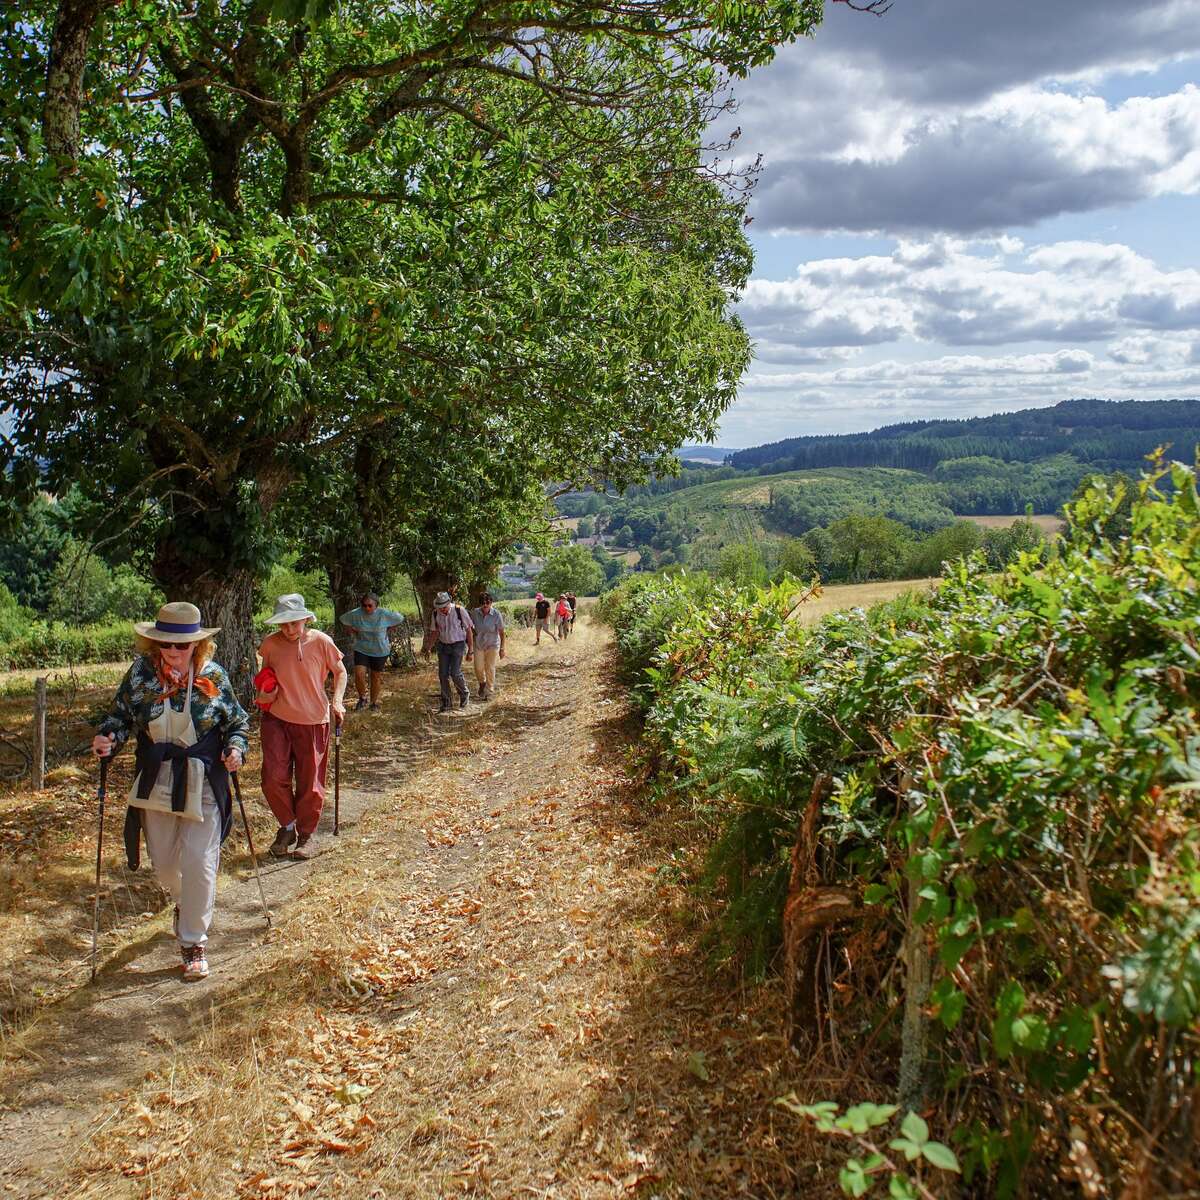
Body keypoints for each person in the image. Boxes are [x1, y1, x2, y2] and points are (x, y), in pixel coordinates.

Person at [92, 602, 249, 983]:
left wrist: (236, 749)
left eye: (182, 645)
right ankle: (185, 902)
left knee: (199, 861)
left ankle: (193, 943)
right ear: (155, 643)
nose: (174, 651)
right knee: (163, 864)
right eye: (166, 644)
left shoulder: (214, 675)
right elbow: (120, 717)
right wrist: (108, 738)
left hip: (203, 776)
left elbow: (237, 722)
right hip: (157, 776)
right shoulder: (141, 674)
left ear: (197, 645)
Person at [256, 593, 348, 860]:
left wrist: (337, 701)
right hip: (276, 718)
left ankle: (307, 835)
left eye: (294, 623)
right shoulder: (270, 644)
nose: (288, 629)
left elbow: (340, 672)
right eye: (283, 624)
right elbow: (266, 675)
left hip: (313, 719)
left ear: (306, 619)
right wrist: (265, 691)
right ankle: (287, 826)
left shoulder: (321, 641)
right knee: (273, 777)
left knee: (310, 783)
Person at [339, 592, 407, 712]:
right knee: (359, 673)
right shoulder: (356, 613)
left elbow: (400, 618)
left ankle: (373, 703)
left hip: (380, 650)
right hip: (362, 648)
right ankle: (362, 698)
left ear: (376, 605)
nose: (367, 608)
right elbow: (343, 619)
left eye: (370, 606)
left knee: (375, 676)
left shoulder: (384, 614)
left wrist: (389, 629)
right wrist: (352, 631)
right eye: (364, 605)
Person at [423, 590, 474, 712]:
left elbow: (469, 630)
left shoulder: (459, 610)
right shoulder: (435, 613)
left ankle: (464, 694)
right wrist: (428, 648)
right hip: (443, 646)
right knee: (443, 674)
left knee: (455, 673)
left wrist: (470, 650)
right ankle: (447, 701)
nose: (442, 610)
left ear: (448, 603)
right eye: (440, 608)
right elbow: (435, 632)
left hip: (458, 644)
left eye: (444, 607)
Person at [469, 593, 506, 700]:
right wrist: (473, 632)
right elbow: (468, 625)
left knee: (489, 667)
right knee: (478, 667)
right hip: (479, 644)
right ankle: (482, 683)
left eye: (487, 603)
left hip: (492, 644)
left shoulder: (496, 614)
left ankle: (489, 691)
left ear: (491, 603)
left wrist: (502, 648)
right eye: (482, 603)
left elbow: (502, 633)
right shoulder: (475, 613)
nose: (485, 605)